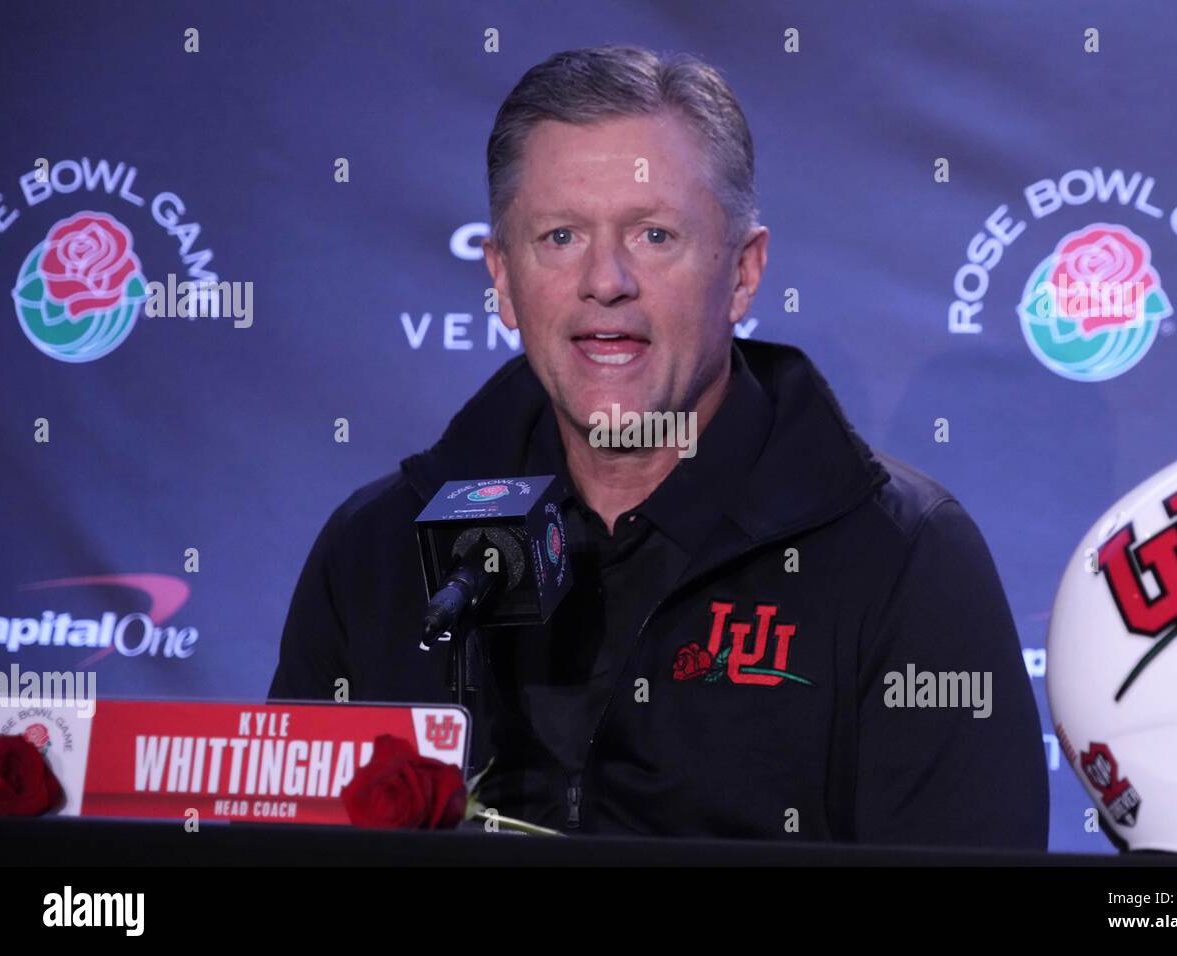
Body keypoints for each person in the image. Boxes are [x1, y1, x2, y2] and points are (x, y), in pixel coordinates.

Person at [269, 44, 1048, 847]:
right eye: (561, 235)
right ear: (500, 278)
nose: (606, 279)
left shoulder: (904, 557)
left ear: (744, 273)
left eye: (653, 235)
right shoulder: (375, 553)